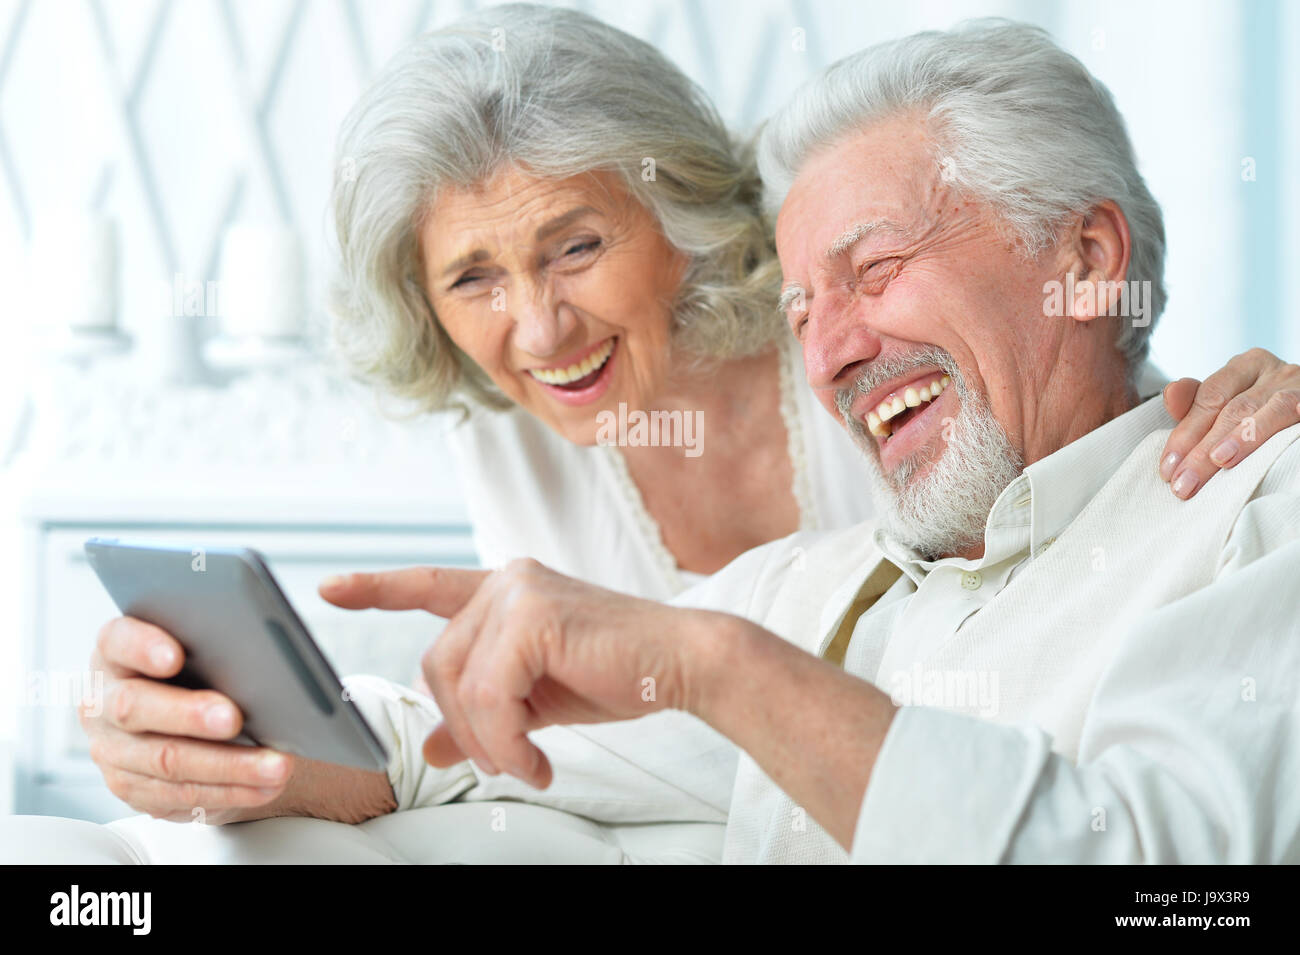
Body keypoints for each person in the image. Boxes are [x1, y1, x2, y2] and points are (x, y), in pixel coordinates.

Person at [70, 13, 1300, 854]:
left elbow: (1159, 875)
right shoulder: (818, 586)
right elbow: (448, 752)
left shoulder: (1252, 499)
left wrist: (721, 666)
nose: (827, 353)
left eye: (872, 272)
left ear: (1084, 260)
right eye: (806, 307)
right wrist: (214, 729)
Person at [329, 3, 1297, 601]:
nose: (539, 328)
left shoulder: (859, 346)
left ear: (676, 218)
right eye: (473, 278)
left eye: (576, 246)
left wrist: (1254, 410)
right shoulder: (507, 434)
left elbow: (1088, 428)